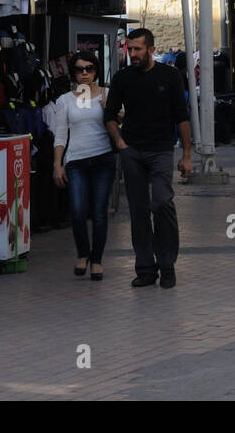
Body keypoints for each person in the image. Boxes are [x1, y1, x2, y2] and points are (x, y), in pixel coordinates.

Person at [105, 28, 192, 288]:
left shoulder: (171, 75)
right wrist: (120, 143)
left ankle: (167, 265)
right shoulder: (123, 77)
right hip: (132, 151)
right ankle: (145, 268)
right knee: (139, 210)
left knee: (162, 202)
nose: (132, 54)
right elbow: (109, 115)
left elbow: (182, 117)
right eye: (129, 49)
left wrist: (187, 155)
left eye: (137, 49)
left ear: (151, 50)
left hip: (161, 150)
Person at [53, 51, 114, 282]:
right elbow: (60, 135)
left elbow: (121, 122)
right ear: (74, 73)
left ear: (97, 70)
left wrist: (112, 110)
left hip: (103, 159)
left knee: (99, 212)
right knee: (77, 211)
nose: (85, 73)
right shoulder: (65, 100)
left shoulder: (107, 95)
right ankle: (83, 253)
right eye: (80, 69)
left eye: (89, 68)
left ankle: (96, 260)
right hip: (76, 160)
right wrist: (57, 165)